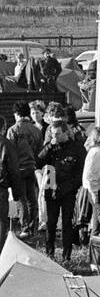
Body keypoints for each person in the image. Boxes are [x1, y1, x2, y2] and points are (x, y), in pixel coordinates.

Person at [7, 104, 40, 238]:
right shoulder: (36, 130)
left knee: (21, 199)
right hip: (32, 167)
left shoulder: (13, 130)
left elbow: (9, 151)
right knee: (32, 199)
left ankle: (24, 227)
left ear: (17, 114)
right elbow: (40, 149)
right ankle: (33, 227)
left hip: (18, 168)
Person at [0, 116, 23, 249]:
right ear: (3, 128)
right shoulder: (6, 144)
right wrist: (16, 194)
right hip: (1, 189)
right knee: (1, 224)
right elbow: (14, 170)